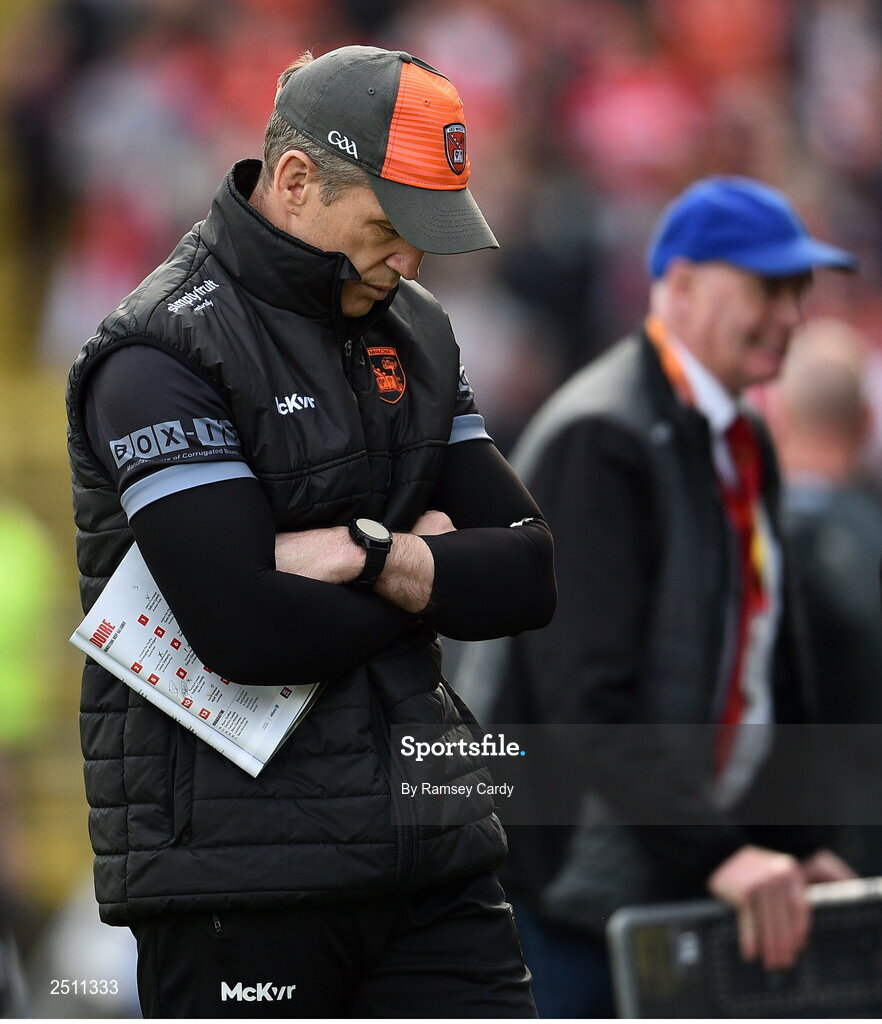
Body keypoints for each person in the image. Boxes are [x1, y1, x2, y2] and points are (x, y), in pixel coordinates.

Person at [65, 45, 556, 1019]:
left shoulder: (418, 329)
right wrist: (426, 567)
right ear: (295, 180)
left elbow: (529, 572)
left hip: (435, 849)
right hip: (240, 878)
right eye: (390, 226)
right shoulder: (159, 349)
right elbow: (245, 629)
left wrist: (364, 555)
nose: (411, 261)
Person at [458, 176, 857, 1017]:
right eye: (767, 289)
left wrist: (793, 843)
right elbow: (584, 697)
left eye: (800, 290)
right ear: (680, 284)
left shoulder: (742, 436)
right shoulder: (602, 435)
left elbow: (769, 663)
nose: (793, 315)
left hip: (676, 882)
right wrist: (718, 853)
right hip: (573, 900)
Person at [769, 317, 882, 875]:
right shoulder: (870, 539)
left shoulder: (746, 542)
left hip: (770, 856)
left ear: (778, 414)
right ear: (866, 421)